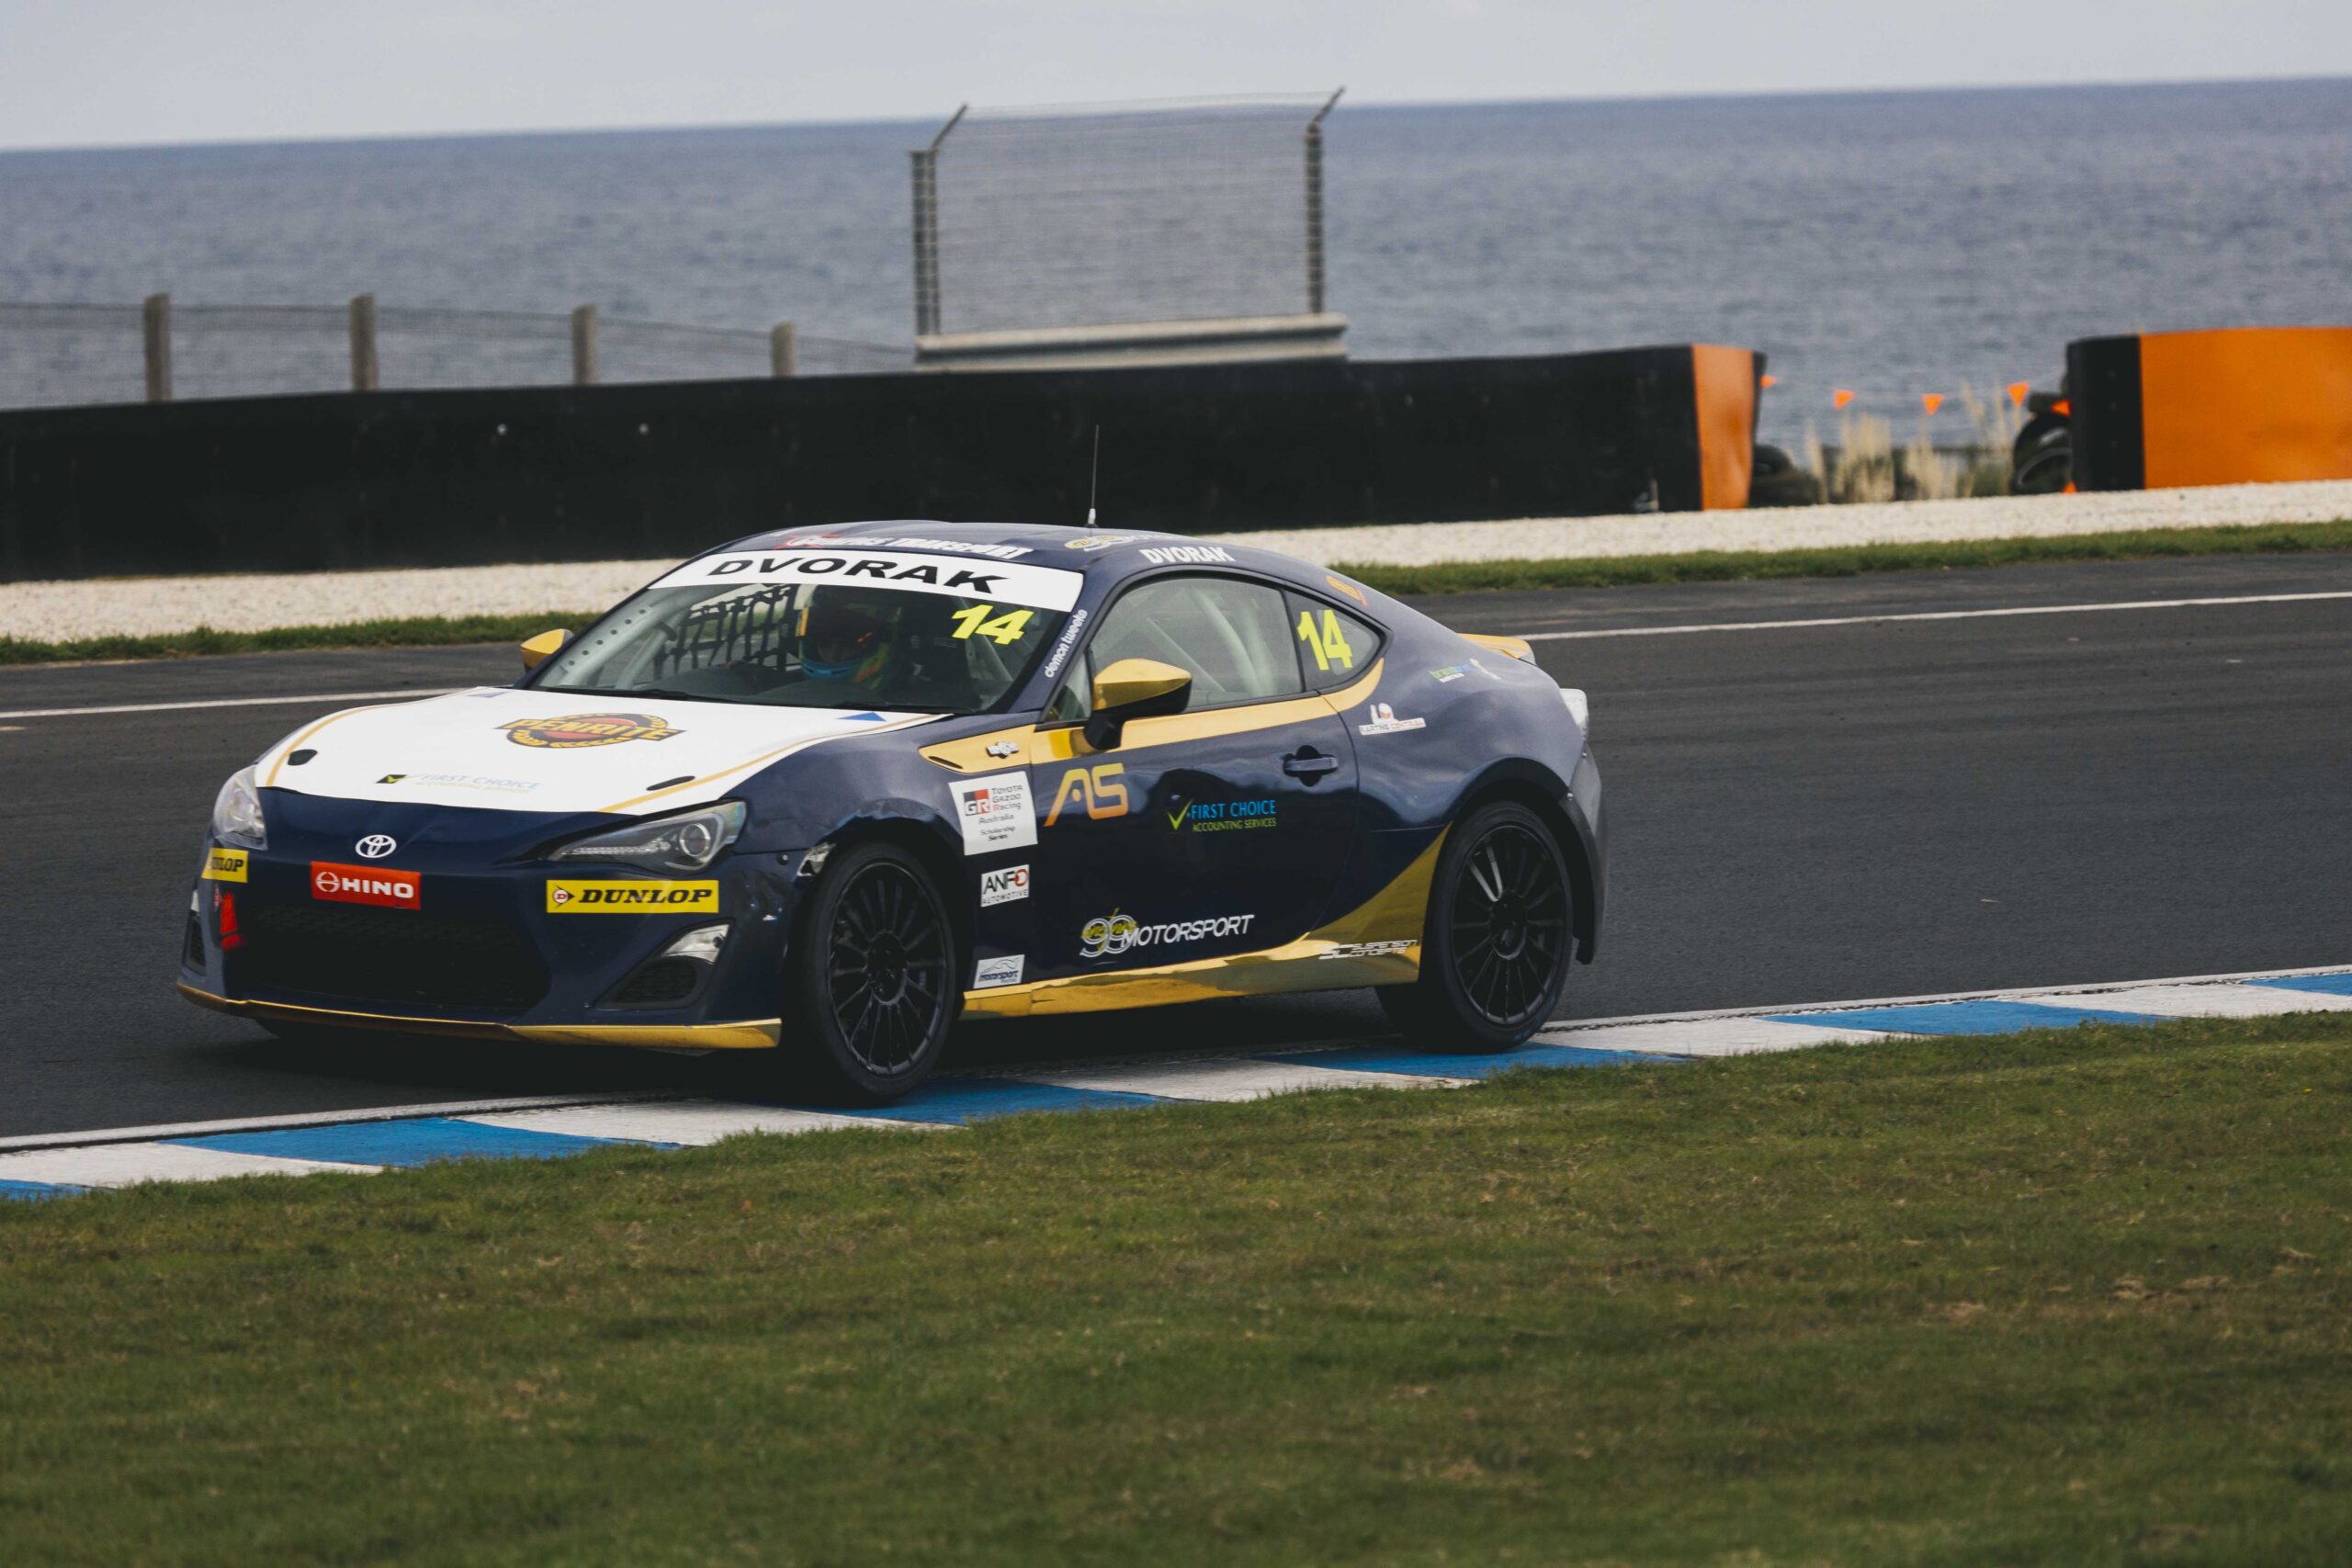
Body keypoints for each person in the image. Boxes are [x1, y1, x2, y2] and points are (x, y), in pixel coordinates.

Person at [795, 593, 899, 692]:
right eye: (824, 644)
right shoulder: (790, 691)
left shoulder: (909, 699)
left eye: (849, 646)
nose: (832, 658)